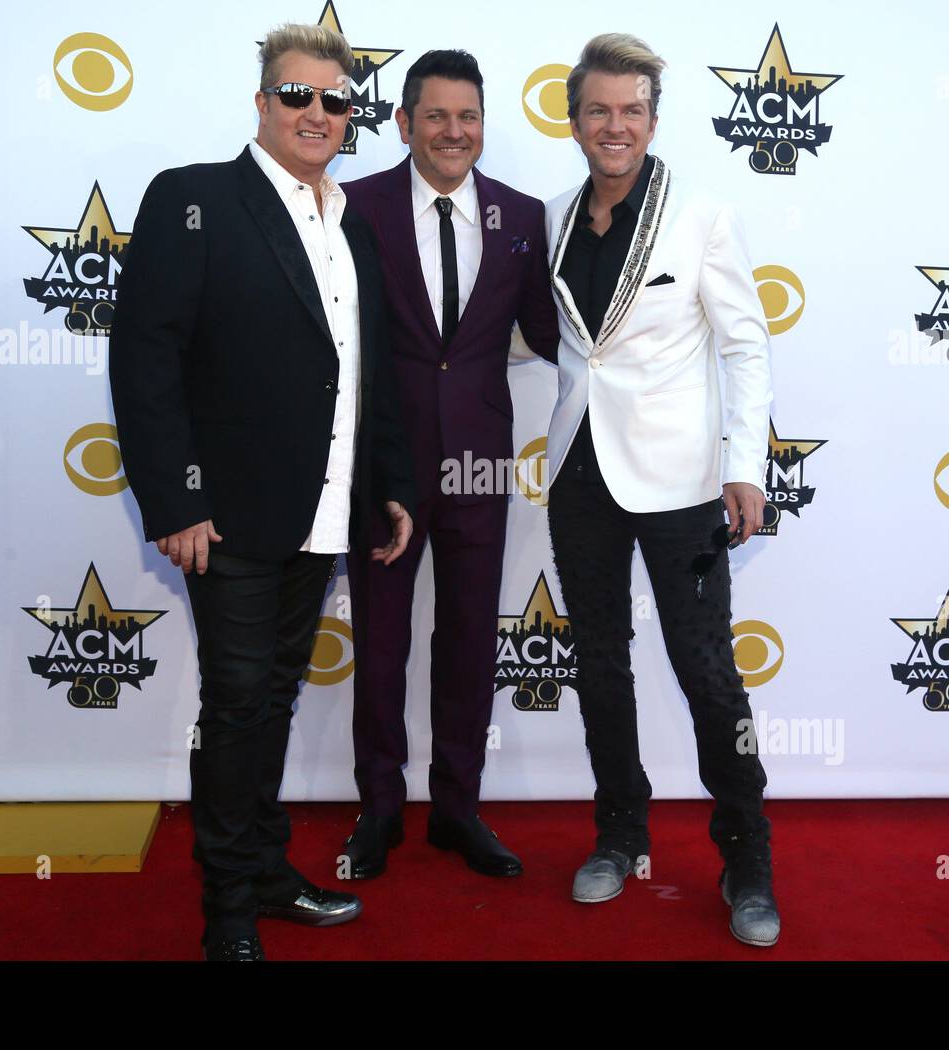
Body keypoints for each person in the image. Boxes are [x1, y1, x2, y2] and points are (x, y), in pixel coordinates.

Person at [108, 23, 415, 961]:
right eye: (298, 95)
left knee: (272, 699)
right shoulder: (195, 198)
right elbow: (147, 354)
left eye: (335, 100)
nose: (317, 112)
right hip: (227, 515)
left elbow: (365, 372)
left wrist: (386, 488)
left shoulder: (350, 221)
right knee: (240, 705)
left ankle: (266, 871)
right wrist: (174, 501)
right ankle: (230, 908)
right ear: (262, 100)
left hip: (323, 512)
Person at [541, 33, 780, 946]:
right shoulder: (557, 215)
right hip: (579, 473)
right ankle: (619, 832)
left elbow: (746, 343)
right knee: (598, 662)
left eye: (631, 110)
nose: (615, 125)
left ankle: (748, 855)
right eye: (598, 109)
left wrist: (744, 462)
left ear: (653, 118)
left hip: (683, 483)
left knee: (708, 673)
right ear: (574, 118)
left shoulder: (704, 216)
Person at [337, 50, 559, 880]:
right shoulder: (353, 207)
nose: (453, 132)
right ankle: (380, 810)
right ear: (403, 122)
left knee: (469, 639)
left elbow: (546, 332)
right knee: (382, 642)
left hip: (479, 465)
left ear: (483, 125)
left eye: (467, 117)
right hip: (384, 468)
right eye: (436, 116)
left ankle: (459, 809)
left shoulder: (522, 217)